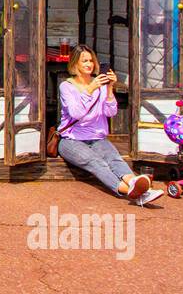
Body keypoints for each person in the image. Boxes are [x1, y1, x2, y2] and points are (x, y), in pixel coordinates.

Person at [56, 45, 163, 206]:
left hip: (97, 138)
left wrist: (109, 88)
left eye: (91, 60)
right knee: (95, 162)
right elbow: (76, 113)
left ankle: (137, 186)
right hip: (71, 140)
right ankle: (130, 191)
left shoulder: (100, 85)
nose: (89, 64)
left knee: (114, 159)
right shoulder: (67, 86)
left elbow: (110, 112)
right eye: (84, 61)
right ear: (75, 64)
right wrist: (90, 89)